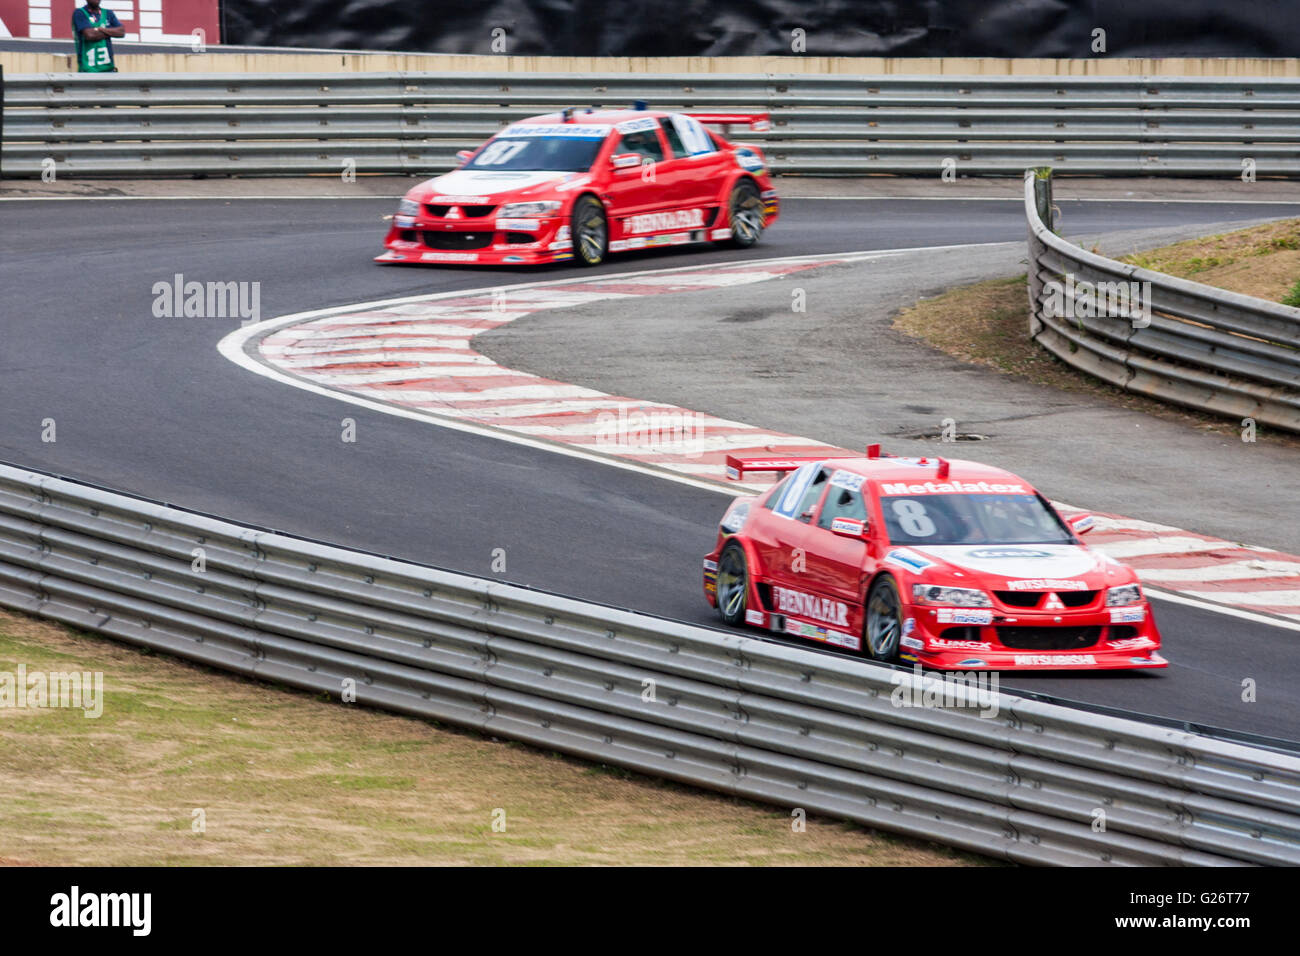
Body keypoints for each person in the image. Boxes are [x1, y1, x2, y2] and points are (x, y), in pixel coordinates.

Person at [73, 1, 125, 74]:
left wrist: (101, 29)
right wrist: (110, 32)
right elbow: (90, 35)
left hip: (108, 69)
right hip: (87, 70)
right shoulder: (80, 13)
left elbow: (121, 32)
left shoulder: (108, 13)